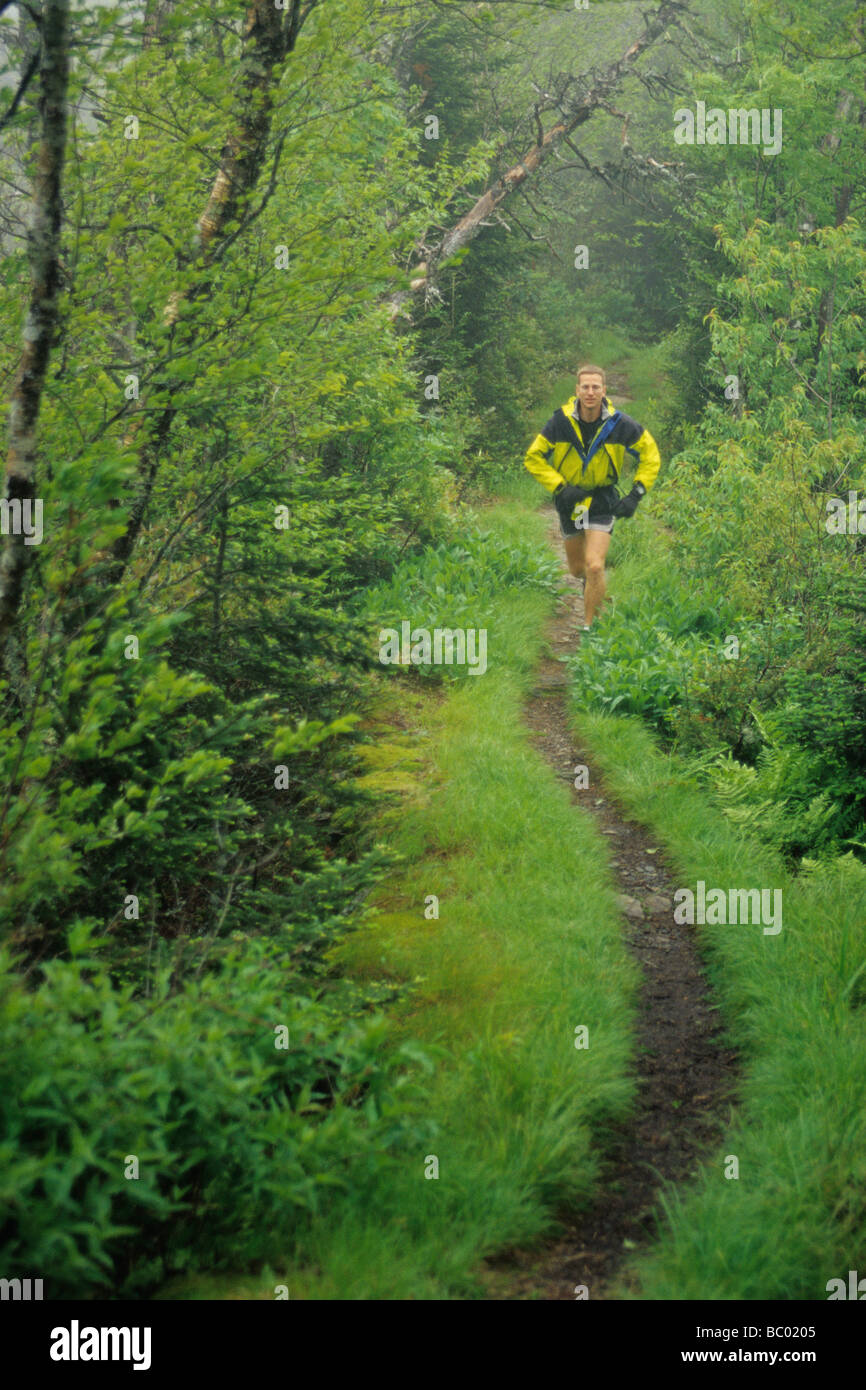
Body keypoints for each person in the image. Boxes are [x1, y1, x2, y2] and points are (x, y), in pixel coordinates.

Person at [523, 364, 661, 628]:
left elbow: (650, 454)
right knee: (578, 569)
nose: (590, 392)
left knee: (595, 565)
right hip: (571, 501)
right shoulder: (560, 422)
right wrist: (560, 487)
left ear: (604, 391)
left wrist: (637, 492)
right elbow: (533, 457)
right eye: (585, 387)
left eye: (595, 387)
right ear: (577, 390)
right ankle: (592, 586)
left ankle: (590, 631)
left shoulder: (620, 424)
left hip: (602, 500)